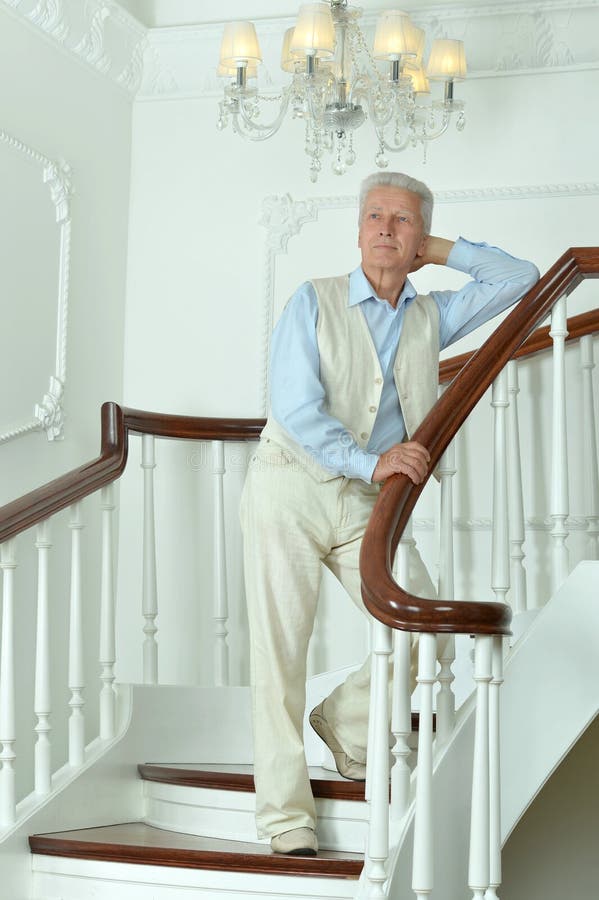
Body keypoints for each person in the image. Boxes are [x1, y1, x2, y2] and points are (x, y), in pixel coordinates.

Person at [239, 172, 539, 857]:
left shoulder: (431, 314)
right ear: (355, 228)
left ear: (416, 239)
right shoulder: (310, 300)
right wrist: (365, 459)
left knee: (421, 623)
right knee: (278, 655)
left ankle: (344, 726)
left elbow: (516, 275)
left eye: (400, 222)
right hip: (288, 486)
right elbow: (294, 404)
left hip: (366, 505)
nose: (383, 228)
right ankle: (286, 821)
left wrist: (434, 247)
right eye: (373, 216)